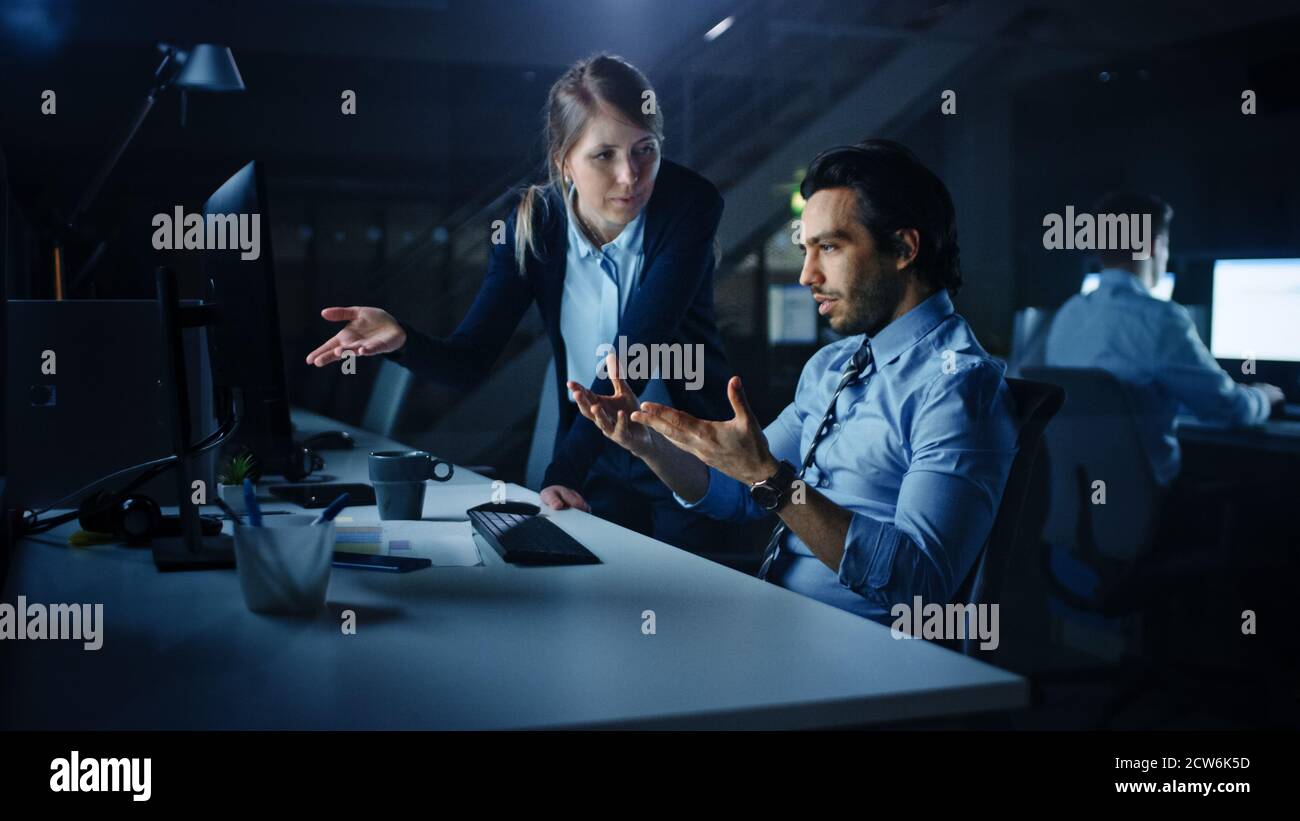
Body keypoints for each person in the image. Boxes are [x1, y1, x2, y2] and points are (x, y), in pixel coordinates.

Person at [569, 140, 1020, 623]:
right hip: (779, 624)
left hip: (862, 657)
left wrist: (773, 480)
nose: (807, 274)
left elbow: (922, 589)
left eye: (829, 247)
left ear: (904, 248)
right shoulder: (833, 366)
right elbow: (742, 493)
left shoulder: (958, 386)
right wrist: (649, 446)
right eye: (807, 249)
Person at [305, 54, 736, 557]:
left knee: (695, 611)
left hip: (688, 450)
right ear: (564, 159)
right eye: (604, 155)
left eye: (646, 150)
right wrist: (403, 341)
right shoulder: (533, 228)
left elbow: (633, 355)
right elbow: (469, 361)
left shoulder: (689, 203)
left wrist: (560, 474)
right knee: (592, 610)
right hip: (595, 459)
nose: (630, 176)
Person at [1042, 192, 1284, 486]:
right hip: (1148, 500)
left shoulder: (1068, 314)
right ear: (1155, 245)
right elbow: (1227, 409)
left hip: (1074, 501)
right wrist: (1263, 397)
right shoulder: (1160, 319)